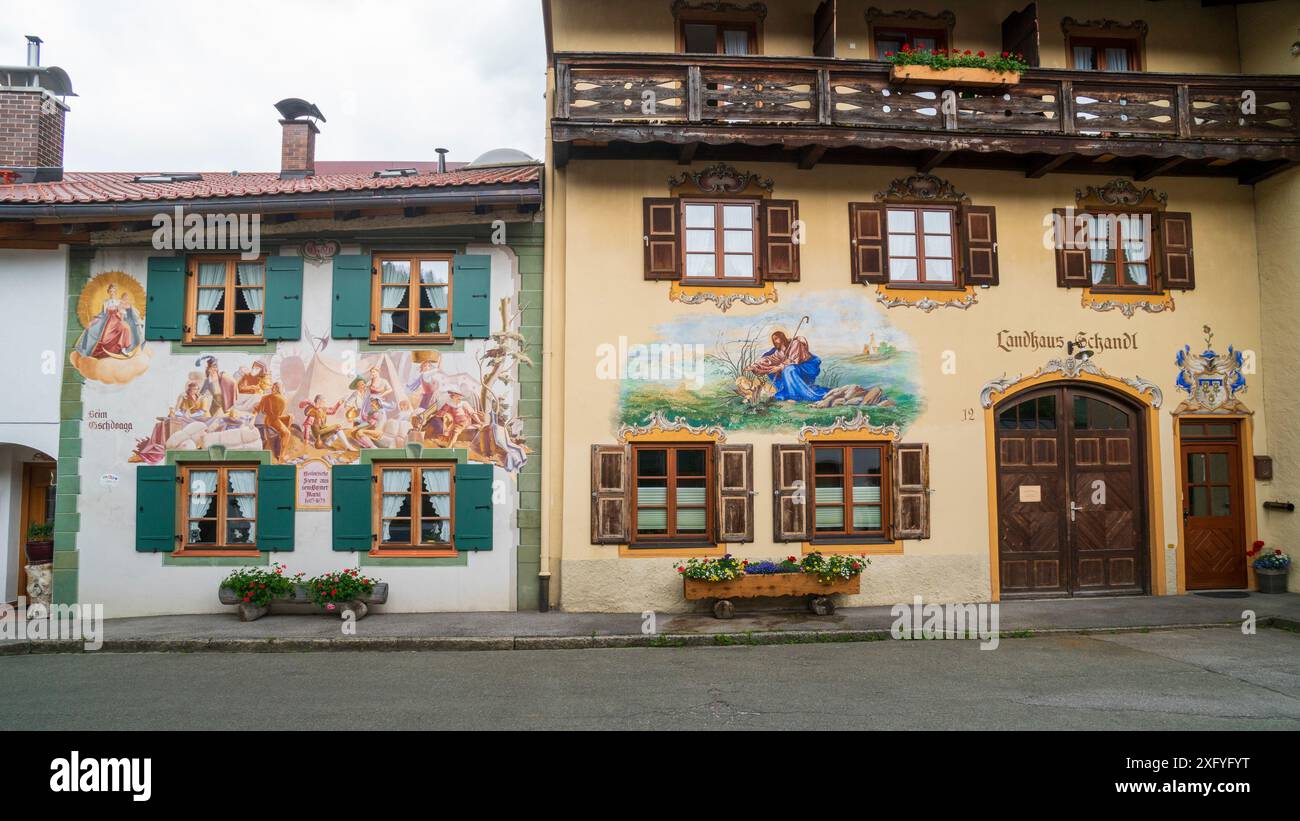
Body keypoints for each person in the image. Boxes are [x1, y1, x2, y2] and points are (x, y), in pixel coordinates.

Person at [749, 330, 830, 403]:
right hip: (796, 368)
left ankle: (796, 396)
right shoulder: (779, 352)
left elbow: (794, 360)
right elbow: (769, 358)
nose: (775, 341)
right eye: (774, 340)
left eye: (777, 338)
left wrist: (780, 367)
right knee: (772, 369)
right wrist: (755, 365)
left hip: (806, 367)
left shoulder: (795, 344)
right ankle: (789, 392)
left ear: (782, 338)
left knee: (788, 369)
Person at [73, 284, 144, 360]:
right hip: (109, 322)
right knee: (105, 339)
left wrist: (127, 310)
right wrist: (92, 322)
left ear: (116, 292)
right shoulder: (105, 303)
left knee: (126, 328)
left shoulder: (119, 301)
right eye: (111, 291)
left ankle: (123, 348)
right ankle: (103, 354)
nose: (112, 292)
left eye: (114, 291)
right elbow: (102, 314)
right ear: (108, 292)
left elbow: (126, 309)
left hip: (118, 320)